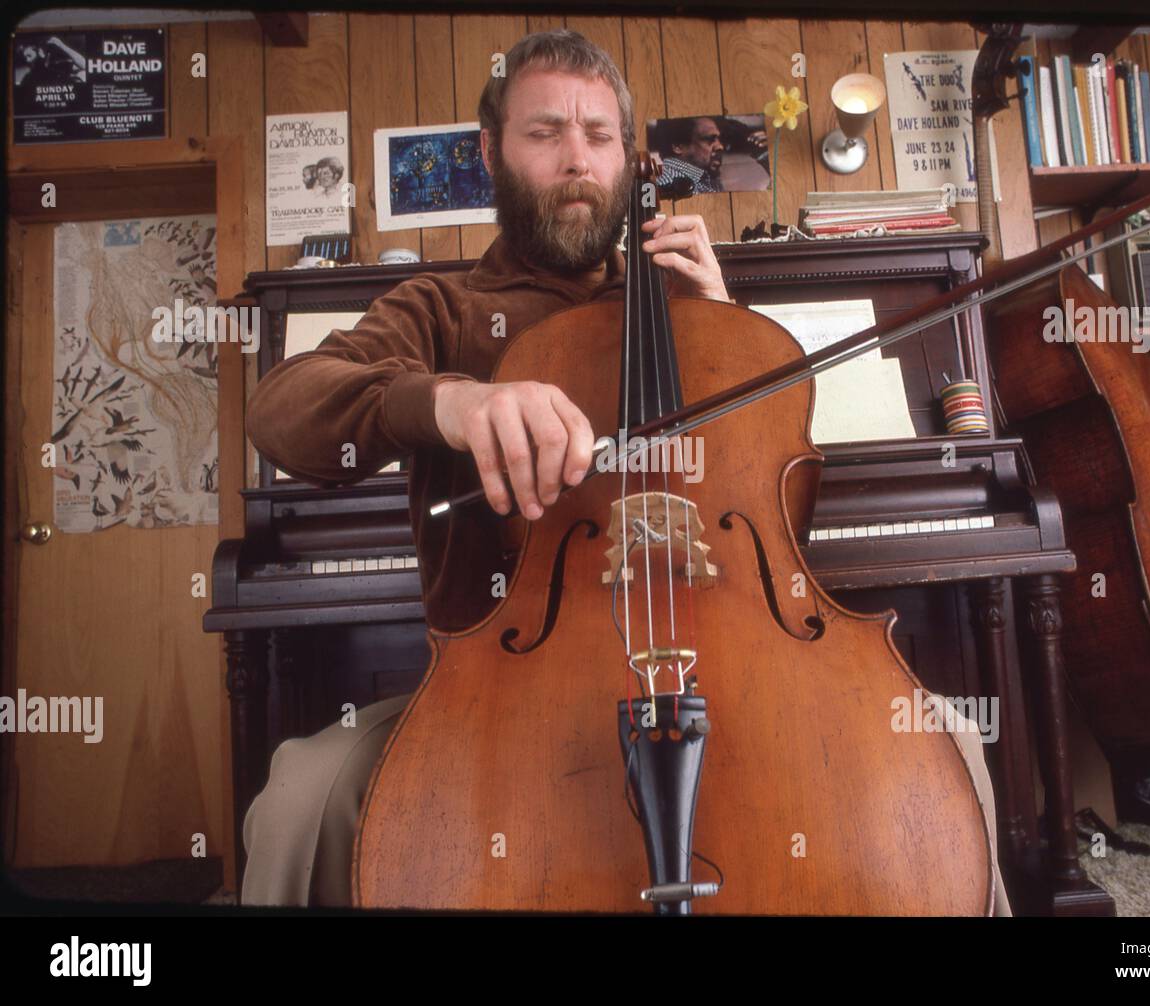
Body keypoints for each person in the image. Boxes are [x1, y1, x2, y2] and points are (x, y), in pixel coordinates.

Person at [240, 28, 1010, 916]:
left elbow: (782, 523)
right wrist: (452, 402)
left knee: (947, 743)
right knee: (298, 797)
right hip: (504, 696)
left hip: (734, 668)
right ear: (491, 152)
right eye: (545, 132)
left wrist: (724, 337)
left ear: (629, 159)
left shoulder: (693, 308)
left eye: (599, 135)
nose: (577, 159)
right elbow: (284, 410)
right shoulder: (438, 309)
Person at [655, 115, 727, 194]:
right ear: (678, 146)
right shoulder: (664, 183)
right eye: (709, 139)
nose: (720, 147)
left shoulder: (708, 179)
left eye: (719, 139)